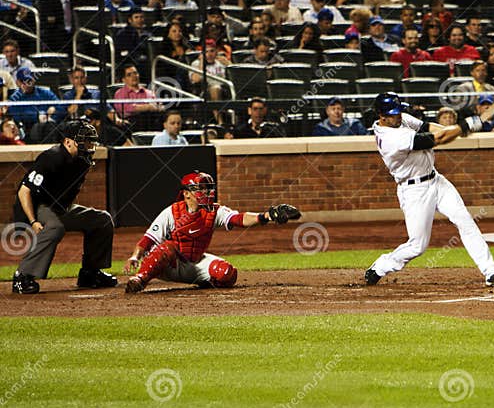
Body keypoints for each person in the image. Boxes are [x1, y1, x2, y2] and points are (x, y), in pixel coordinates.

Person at [364, 92, 494, 288]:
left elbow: (430, 128)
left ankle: (491, 271)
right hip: (414, 191)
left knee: (465, 221)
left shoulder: (401, 119)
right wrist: (464, 126)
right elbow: (436, 139)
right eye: (393, 114)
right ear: (382, 116)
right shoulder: (391, 139)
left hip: (436, 180)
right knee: (417, 246)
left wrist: (457, 130)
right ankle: (381, 266)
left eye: (398, 112)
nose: (398, 116)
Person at [124, 171, 301, 293]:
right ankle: (140, 279)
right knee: (167, 247)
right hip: (169, 266)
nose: (206, 192)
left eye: (208, 188)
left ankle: (205, 287)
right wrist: (135, 257)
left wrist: (266, 216)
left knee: (227, 274)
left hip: (194, 263)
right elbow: (149, 238)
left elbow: (238, 219)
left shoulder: (214, 211)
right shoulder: (172, 212)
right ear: (186, 194)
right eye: (201, 188)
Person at [11, 120, 117, 294]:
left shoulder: (83, 159)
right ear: (68, 141)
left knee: (101, 220)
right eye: (85, 140)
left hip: (61, 207)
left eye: (91, 140)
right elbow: (24, 192)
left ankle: (90, 274)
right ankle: (23, 276)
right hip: (39, 206)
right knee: (55, 227)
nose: (89, 145)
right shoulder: (52, 157)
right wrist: (33, 221)